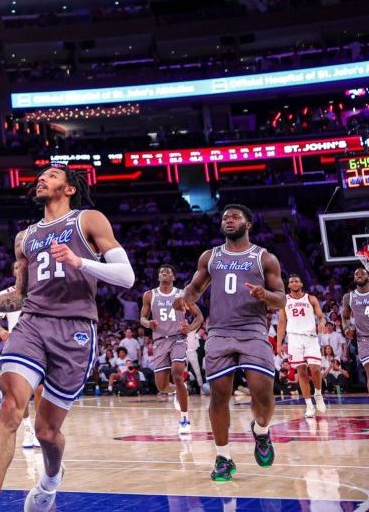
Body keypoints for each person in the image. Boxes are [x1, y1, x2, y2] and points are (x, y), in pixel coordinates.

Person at [0, 165, 134, 512]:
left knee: (46, 431)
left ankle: (51, 479)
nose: (42, 178)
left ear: (70, 188)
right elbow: (20, 297)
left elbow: (126, 276)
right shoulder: (24, 237)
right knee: (11, 407)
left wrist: (81, 262)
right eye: (40, 175)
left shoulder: (89, 220)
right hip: (32, 324)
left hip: (74, 329)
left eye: (52, 175)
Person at [175, 204, 285, 482]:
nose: (229, 220)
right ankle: (223, 457)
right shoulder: (210, 256)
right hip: (219, 333)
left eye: (235, 216)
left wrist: (265, 295)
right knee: (219, 395)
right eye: (225, 217)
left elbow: (282, 298)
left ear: (248, 223)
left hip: (253, 331)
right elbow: (196, 287)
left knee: (263, 394)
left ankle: (261, 431)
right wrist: (186, 297)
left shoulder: (264, 258)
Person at [139, 264, 204, 436]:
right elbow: (142, 318)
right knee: (161, 386)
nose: (164, 273)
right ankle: (177, 390)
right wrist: (148, 323)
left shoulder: (181, 295)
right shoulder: (149, 295)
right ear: (158, 277)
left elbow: (199, 316)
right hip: (159, 341)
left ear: (173, 277)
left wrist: (189, 328)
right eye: (161, 272)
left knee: (177, 374)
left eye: (168, 272)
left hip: (178, 339)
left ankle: (184, 419)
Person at [0, 282, 41, 449]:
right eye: (16, 267)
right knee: (18, 393)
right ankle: (28, 429)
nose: (19, 269)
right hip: (16, 345)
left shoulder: (39, 288)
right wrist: (2, 331)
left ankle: (39, 430)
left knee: (40, 390)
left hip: (38, 343)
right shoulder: (7, 293)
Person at [277, 274, 327, 417]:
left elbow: (321, 316)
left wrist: (322, 323)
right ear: (288, 285)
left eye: (296, 281)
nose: (293, 283)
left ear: (301, 284)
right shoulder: (284, 300)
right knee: (302, 371)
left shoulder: (311, 298)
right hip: (294, 338)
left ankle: (318, 395)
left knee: (315, 369)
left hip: (310, 337)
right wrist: (279, 344)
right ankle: (309, 405)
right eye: (291, 281)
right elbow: (281, 322)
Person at [341, 263, 369, 388]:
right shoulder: (348, 297)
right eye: (356, 274)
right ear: (353, 279)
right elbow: (345, 317)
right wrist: (347, 328)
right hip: (363, 338)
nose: (359, 275)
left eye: (362, 273)